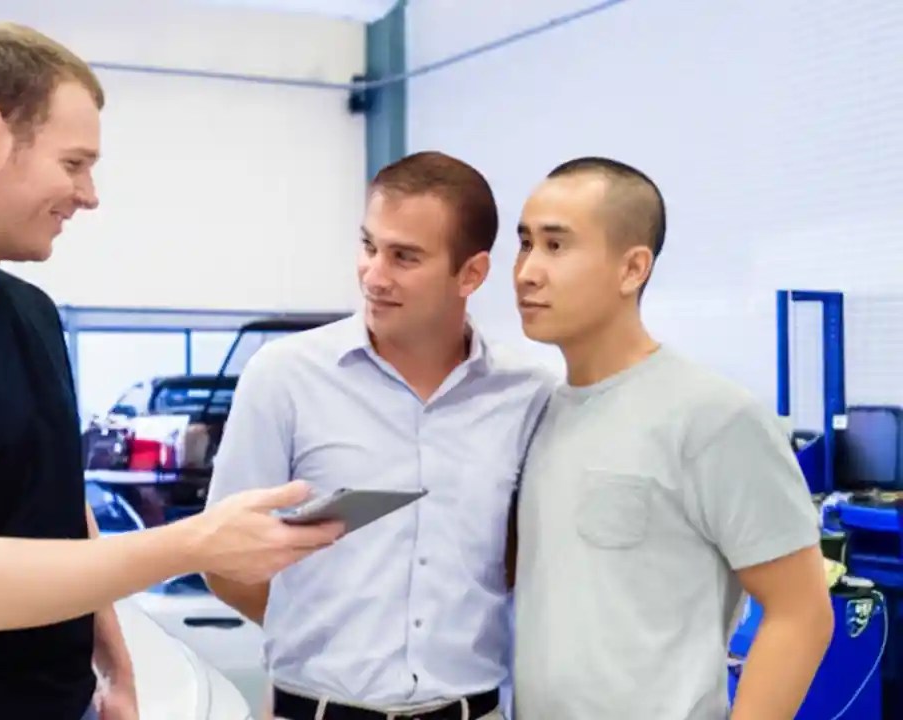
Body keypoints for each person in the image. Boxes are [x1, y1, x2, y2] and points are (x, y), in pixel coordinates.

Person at [0, 22, 343, 720]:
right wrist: (195, 541)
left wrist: (116, 662)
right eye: (73, 163)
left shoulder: (33, 313)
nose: (89, 194)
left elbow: (58, 507)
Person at [205, 151, 556, 720]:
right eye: (369, 246)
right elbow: (222, 561)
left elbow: (519, 560)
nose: (374, 274)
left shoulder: (530, 395)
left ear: (471, 274)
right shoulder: (285, 376)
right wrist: (323, 633)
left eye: (404, 257)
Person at [511, 157, 834, 719]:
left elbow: (802, 614)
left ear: (632, 268)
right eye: (525, 243)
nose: (527, 272)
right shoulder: (537, 415)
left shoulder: (713, 417)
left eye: (556, 246)